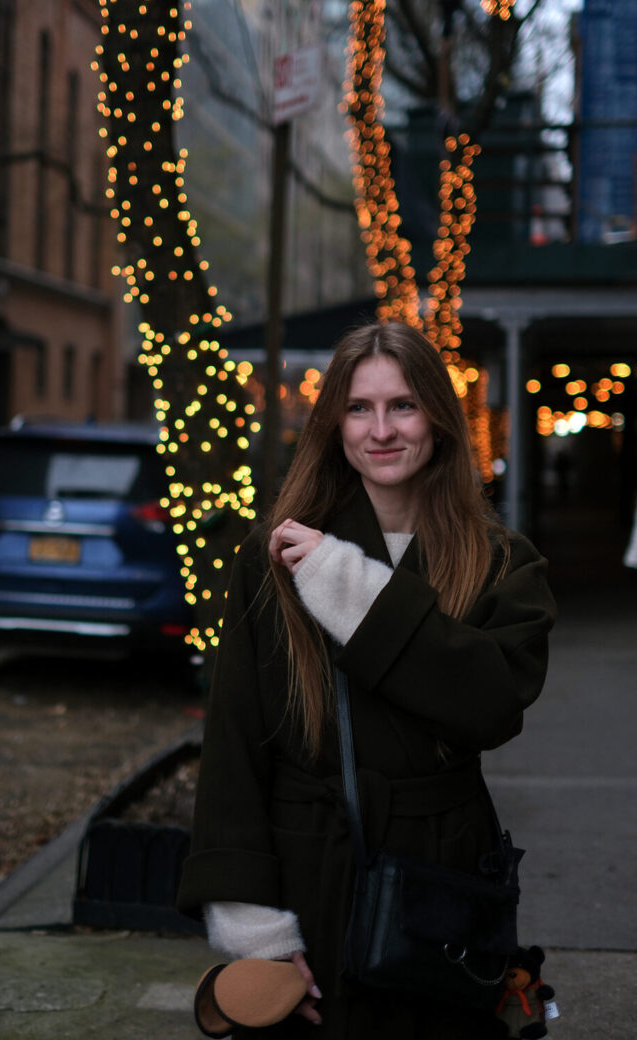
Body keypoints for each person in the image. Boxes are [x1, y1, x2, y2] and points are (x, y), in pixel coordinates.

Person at [177, 320, 556, 1039]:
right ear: (334, 425)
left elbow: (492, 705)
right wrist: (255, 927)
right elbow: (234, 744)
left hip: (444, 885)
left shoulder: (504, 562)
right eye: (359, 408)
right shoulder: (274, 558)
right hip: (310, 879)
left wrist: (350, 588)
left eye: (403, 406)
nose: (381, 430)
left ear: (439, 420)